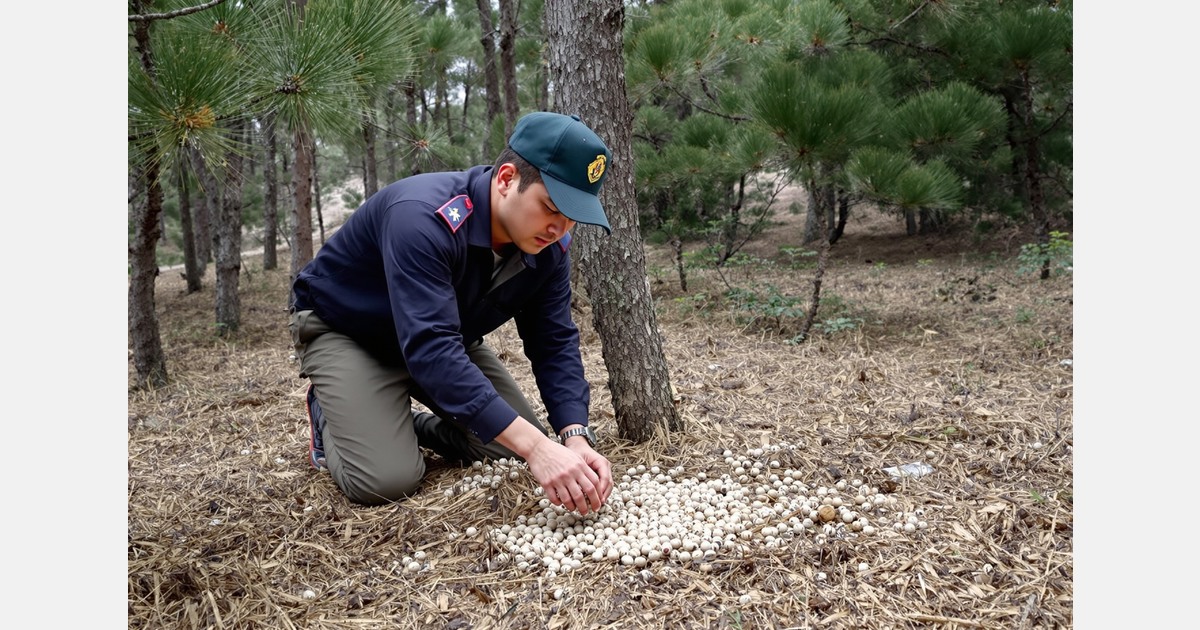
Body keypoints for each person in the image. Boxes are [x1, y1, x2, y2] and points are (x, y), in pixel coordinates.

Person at [289, 112, 615, 514]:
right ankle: (333, 414)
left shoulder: (548, 250)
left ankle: (395, 424)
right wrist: (537, 447)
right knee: (385, 480)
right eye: (551, 207)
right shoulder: (423, 217)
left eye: (572, 218)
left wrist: (574, 437)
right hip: (350, 334)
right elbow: (432, 350)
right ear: (506, 179)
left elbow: (554, 342)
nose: (558, 229)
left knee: (511, 453)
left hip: (443, 340)